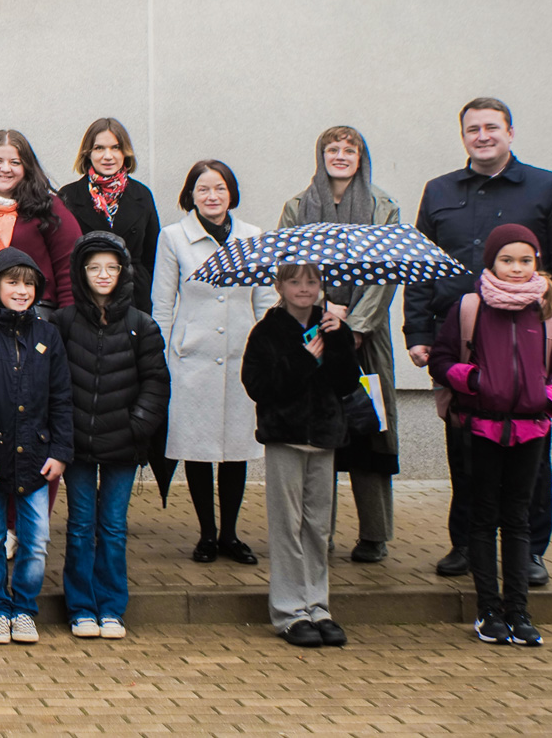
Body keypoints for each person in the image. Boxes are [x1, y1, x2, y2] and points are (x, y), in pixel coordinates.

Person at [407, 97, 552, 587]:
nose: (482, 136)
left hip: (528, 344)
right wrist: (419, 333)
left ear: (510, 132)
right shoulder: (440, 190)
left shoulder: (547, 188)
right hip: (462, 342)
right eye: (473, 129)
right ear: (462, 136)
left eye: (492, 127)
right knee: (465, 446)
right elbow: (421, 266)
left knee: (529, 450)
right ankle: (467, 542)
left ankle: (529, 550)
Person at [431, 225, 552, 649]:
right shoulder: (471, 308)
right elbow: (441, 360)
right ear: (491, 263)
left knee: (517, 521)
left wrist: (549, 400)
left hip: (530, 431)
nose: (516, 269)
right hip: (481, 428)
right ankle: (488, 612)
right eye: (507, 260)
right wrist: (473, 380)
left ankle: (519, 612)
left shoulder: (545, 312)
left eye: (525, 260)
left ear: (537, 263)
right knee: (482, 519)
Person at [278, 126, 403, 562]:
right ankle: (319, 532)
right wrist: (319, 309)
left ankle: (374, 534)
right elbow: (285, 263)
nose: (341, 155)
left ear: (361, 157)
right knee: (321, 432)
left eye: (349, 149)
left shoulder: (381, 206)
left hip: (365, 339)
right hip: (313, 332)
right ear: (321, 155)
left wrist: (356, 322)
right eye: (333, 149)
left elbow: (389, 269)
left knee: (368, 432)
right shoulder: (298, 206)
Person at [0, 248, 72, 646]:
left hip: (38, 459)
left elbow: (61, 398)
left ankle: (24, 610)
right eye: (12, 282)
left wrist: (60, 451)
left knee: (35, 541)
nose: (21, 291)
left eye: (28, 284)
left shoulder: (48, 335)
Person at [152, 158, 267, 565]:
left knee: (237, 448)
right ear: (191, 195)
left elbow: (266, 300)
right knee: (197, 449)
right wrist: (164, 358)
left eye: (219, 188)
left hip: (241, 358)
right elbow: (162, 305)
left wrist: (266, 352)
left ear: (231, 192)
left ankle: (231, 535)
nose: (212, 196)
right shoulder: (174, 237)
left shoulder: (253, 237)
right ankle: (206, 534)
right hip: (192, 360)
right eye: (203, 189)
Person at [242, 263, 362, 648]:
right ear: (279, 286)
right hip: (285, 438)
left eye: (312, 281)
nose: (304, 288)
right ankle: (290, 611)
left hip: (325, 437)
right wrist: (302, 359)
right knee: (287, 525)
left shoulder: (332, 327)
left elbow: (347, 382)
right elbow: (257, 385)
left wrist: (340, 341)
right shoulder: (267, 331)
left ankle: (318, 606)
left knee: (317, 527)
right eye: (295, 281)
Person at [58, 231, 169, 641]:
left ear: (123, 272)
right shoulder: (65, 322)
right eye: (94, 268)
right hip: (78, 445)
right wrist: (64, 427)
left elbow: (156, 384)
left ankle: (111, 607)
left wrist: (135, 427)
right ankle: (81, 607)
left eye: (111, 267)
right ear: (81, 272)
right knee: (81, 524)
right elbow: (55, 382)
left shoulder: (142, 325)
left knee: (114, 526)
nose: (102, 275)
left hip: (123, 445)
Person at [0, 129, 82, 315]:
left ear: (27, 167)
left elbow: (69, 268)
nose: (5, 169)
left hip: (32, 327)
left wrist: (68, 321)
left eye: (15, 162)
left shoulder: (49, 208)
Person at [58, 119, 159, 297]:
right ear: (88, 153)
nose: (108, 156)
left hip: (134, 296)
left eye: (116, 147)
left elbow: (153, 257)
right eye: (99, 148)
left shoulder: (142, 194)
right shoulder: (69, 196)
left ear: (125, 152)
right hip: (85, 295)